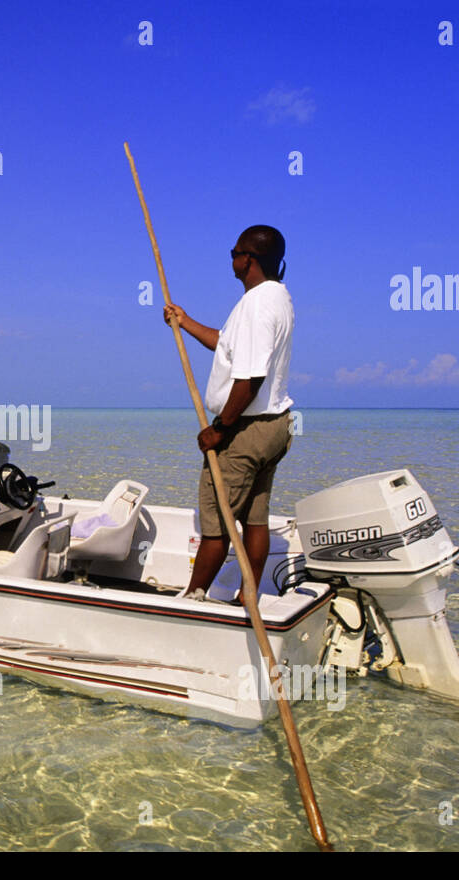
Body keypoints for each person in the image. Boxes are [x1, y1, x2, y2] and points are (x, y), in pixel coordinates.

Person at [163, 225, 293, 605]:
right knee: (254, 518)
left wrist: (220, 428)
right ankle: (246, 597)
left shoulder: (257, 305)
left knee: (217, 522)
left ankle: (192, 598)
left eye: (234, 252)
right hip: (274, 426)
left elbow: (250, 377)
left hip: (246, 429)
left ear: (247, 259)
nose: (232, 259)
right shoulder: (277, 297)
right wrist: (184, 322)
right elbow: (227, 345)